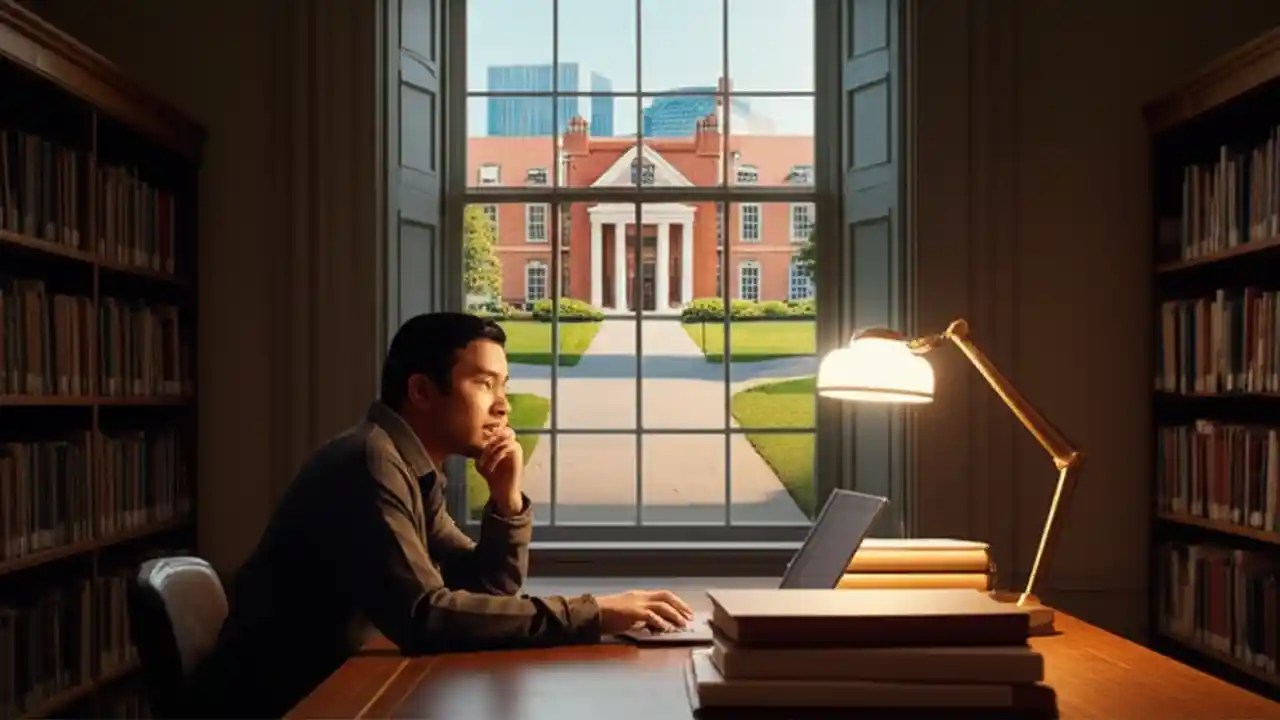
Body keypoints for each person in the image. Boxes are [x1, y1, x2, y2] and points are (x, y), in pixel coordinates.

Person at [185, 312, 695, 717]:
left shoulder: (408, 465)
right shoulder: (370, 463)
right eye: (485, 384)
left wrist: (506, 501)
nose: (504, 407)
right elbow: (427, 616)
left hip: (334, 692)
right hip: (291, 706)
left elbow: (486, 590)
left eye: (505, 385)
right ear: (422, 392)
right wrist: (595, 613)